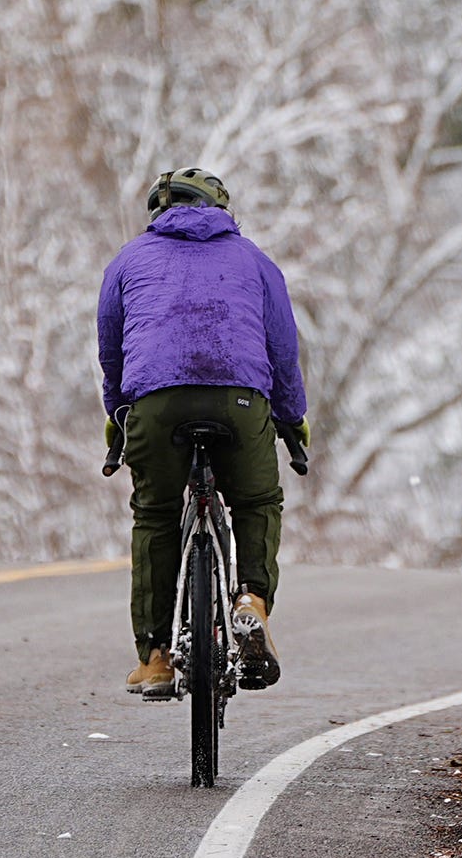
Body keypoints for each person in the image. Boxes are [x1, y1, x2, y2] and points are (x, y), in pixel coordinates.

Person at [97, 167, 308, 699]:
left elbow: (112, 351)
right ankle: (251, 602)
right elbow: (283, 350)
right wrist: (291, 419)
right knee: (258, 499)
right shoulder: (254, 260)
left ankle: (155, 658)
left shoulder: (127, 260)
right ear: (221, 209)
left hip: (156, 403)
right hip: (238, 401)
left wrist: (120, 414)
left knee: (156, 517)